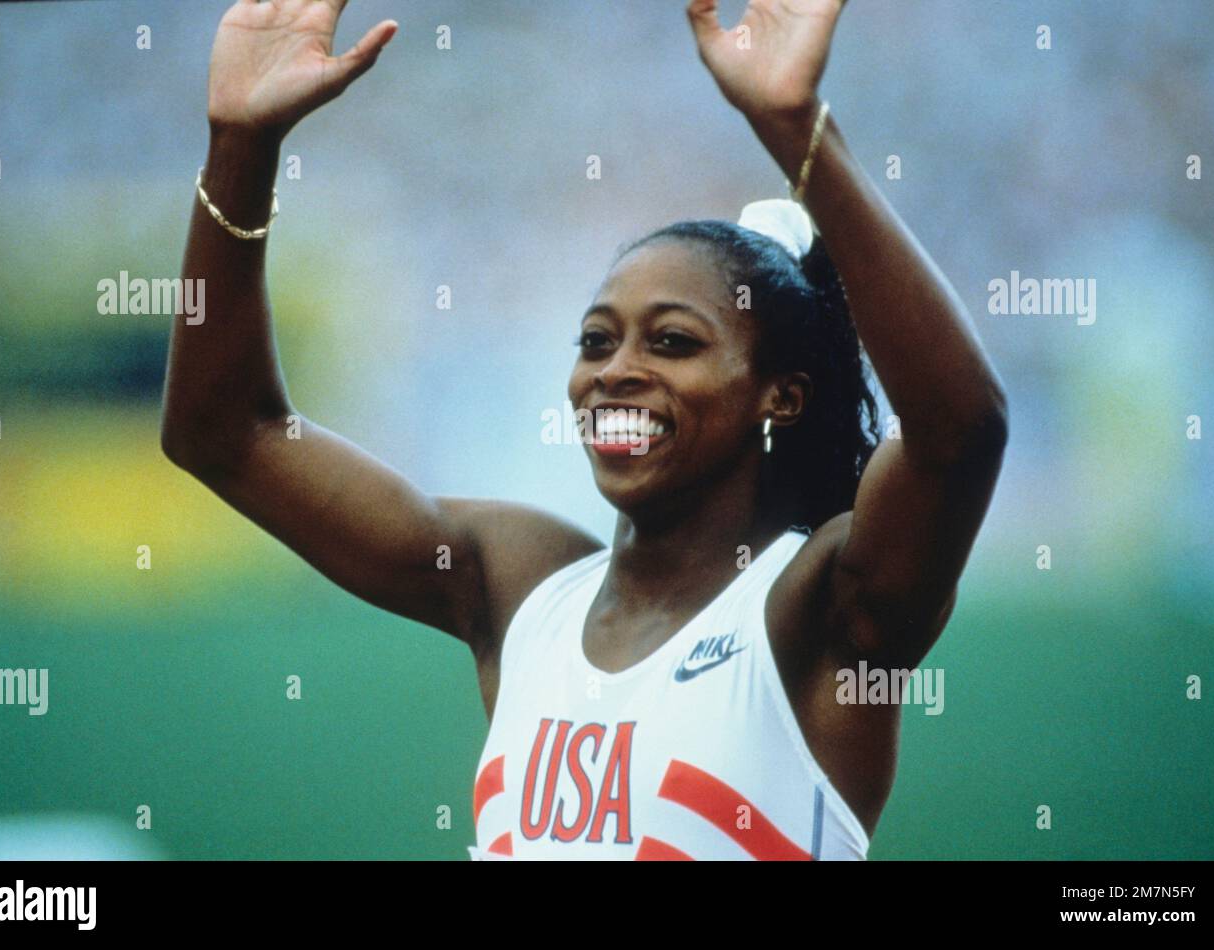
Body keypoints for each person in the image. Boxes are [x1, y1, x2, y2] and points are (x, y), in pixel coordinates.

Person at [162, 0, 1008, 860]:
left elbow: (960, 431)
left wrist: (799, 133)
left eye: (673, 342)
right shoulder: (521, 588)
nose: (614, 372)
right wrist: (240, 148)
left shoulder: (818, 609)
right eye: (597, 341)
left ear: (780, 398)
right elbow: (224, 435)